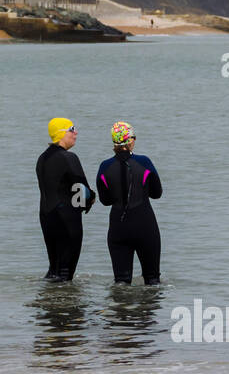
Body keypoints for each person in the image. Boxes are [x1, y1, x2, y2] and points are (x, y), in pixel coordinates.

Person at [95, 122, 163, 285]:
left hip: (118, 227)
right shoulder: (144, 162)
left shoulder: (105, 166)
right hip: (145, 225)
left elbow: (105, 201)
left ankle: (121, 302)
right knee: (152, 279)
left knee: (121, 282)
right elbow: (157, 193)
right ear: (130, 140)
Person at [36, 117, 95, 281]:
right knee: (65, 273)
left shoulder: (42, 158)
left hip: (46, 217)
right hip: (67, 218)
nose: (76, 133)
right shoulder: (68, 157)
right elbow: (82, 190)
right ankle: (64, 298)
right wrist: (91, 199)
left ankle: (49, 296)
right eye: (72, 129)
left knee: (53, 269)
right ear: (61, 133)